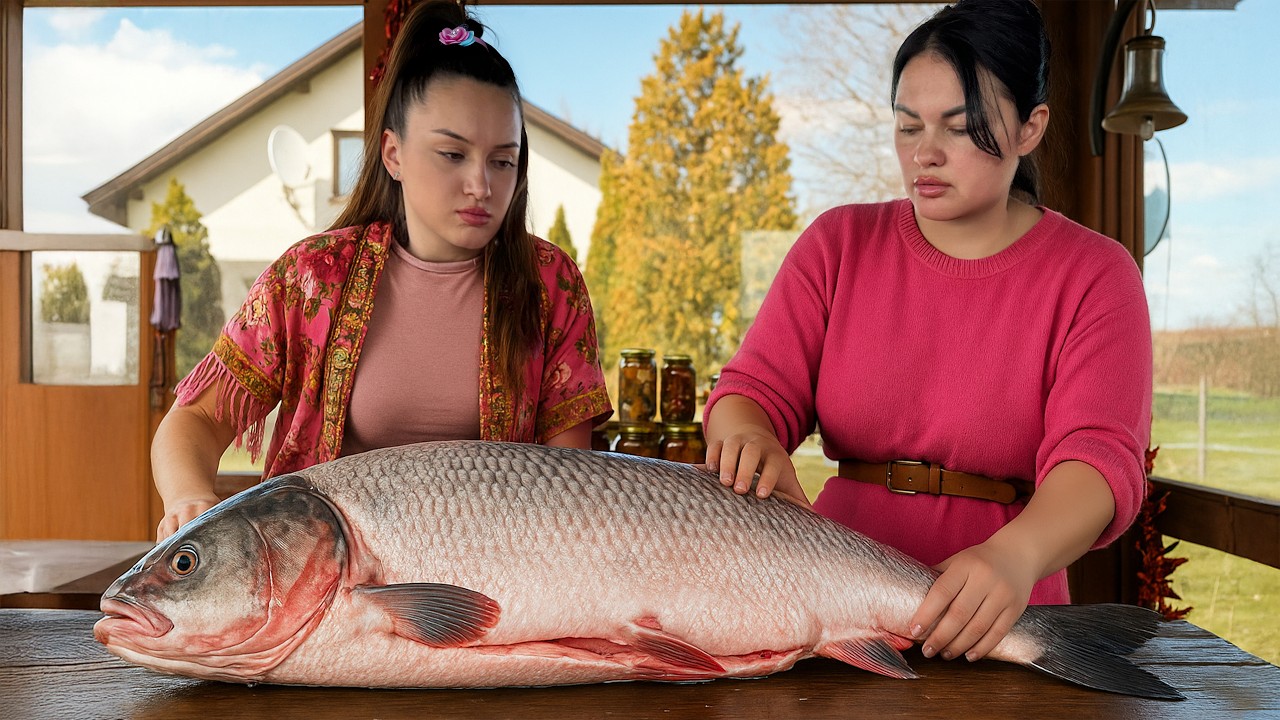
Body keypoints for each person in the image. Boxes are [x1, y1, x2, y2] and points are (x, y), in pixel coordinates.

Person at [704, 0, 1152, 666]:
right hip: (833, 612)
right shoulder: (839, 244)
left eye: (960, 127)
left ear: (1032, 128)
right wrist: (744, 434)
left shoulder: (1094, 274)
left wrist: (1016, 555)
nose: (925, 152)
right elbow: (752, 391)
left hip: (1003, 621)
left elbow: (1100, 460)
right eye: (908, 125)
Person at [152, 0, 611, 542]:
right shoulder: (312, 278)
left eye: (502, 161)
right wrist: (188, 498)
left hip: (498, 583)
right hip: (329, 585)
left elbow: (570, 489)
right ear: (393, 153)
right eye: (451, 154)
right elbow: (195, 421)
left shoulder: (549, 285)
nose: (481, 186)